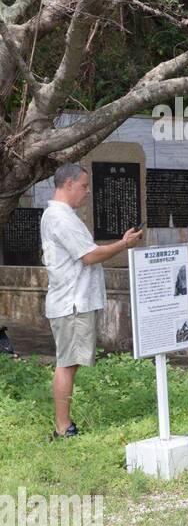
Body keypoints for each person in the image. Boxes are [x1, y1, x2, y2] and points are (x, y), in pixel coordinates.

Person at [40, 164, 143, 437]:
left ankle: (64, 424)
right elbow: (89, 256)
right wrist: (124, 244)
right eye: (84, 186)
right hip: (71, 303)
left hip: (71, 300)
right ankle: (64, 428)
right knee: (67, 364)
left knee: (69, 363)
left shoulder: (62, 216)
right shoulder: (60, 218)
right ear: (69, 184)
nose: (87, 192)